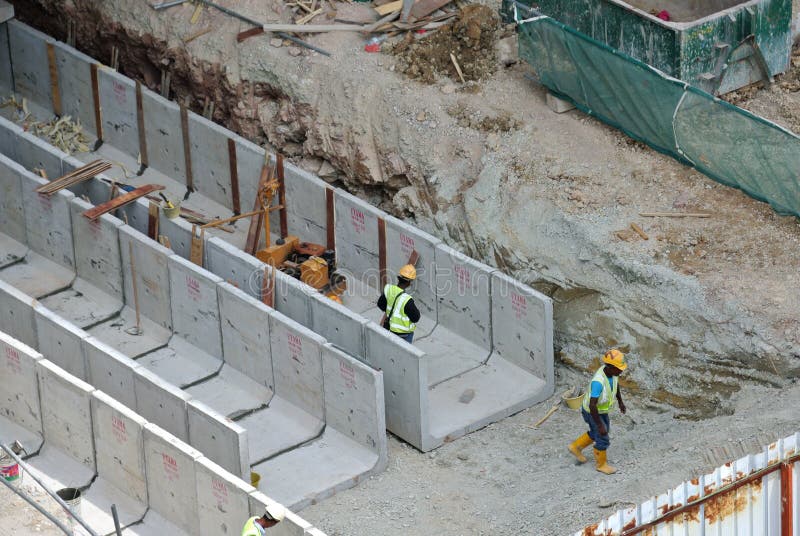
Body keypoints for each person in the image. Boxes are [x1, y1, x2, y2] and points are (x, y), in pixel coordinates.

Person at [567, 349, 628, 475]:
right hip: (591, 411)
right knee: (602, 436)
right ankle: (601, 465)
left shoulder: (613, 374)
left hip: (600, 410)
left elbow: (615, 386)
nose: (621, 371)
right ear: (610, 367)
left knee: (601, 431)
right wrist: (600, 425)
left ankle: (575, 447)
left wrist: (620, 402)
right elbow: (592, 405)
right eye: (619, 368)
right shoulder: (598, 382)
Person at [376, 264, 421, 343]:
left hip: (389, 328)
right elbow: (416, 318)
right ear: (409, 283)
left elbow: (380, 304)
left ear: (398, 278)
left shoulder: (388, 289)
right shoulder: (407, 300)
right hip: (404, 334)